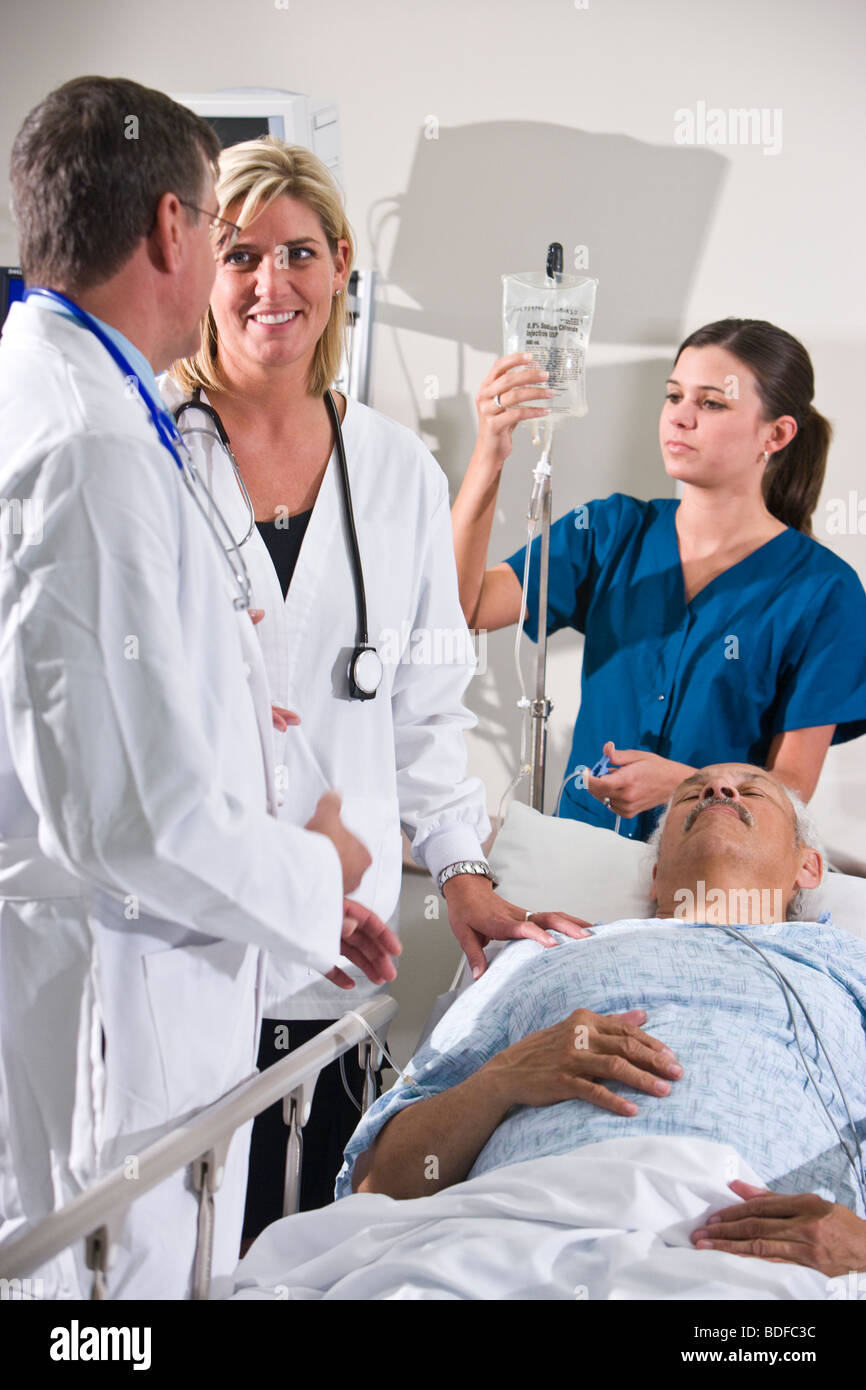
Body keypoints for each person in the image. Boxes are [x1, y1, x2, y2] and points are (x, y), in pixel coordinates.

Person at [0, 77, 400, 1301]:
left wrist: (290, 873)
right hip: (115, 1005)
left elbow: (139, 714)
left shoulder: (84, 400)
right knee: (99, 1323)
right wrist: (316, 867)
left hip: (159, 959)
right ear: (174, 231)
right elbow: (133, 820)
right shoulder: (92, 441)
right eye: (229, 242)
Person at [160, 137, 590, 1226]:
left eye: (297, 252)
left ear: (342, 262)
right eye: (239, 254)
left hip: (333, 935)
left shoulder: (395, 469)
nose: (271, 284)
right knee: (154, 1238)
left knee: (299, 1237)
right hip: (167, 929)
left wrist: (458, 869)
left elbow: (424, 699)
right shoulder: (150, 446)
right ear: (200, 271)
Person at [452, 323, 866, 839]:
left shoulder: (825, 592)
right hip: (579, 863)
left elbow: (792, 791)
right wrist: (490, 451)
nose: (681, 417)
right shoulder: (607, 532)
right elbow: (464, 608)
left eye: (712, 403)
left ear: (776, 435)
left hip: (714, 878)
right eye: (674, 396)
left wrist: (688, 786)